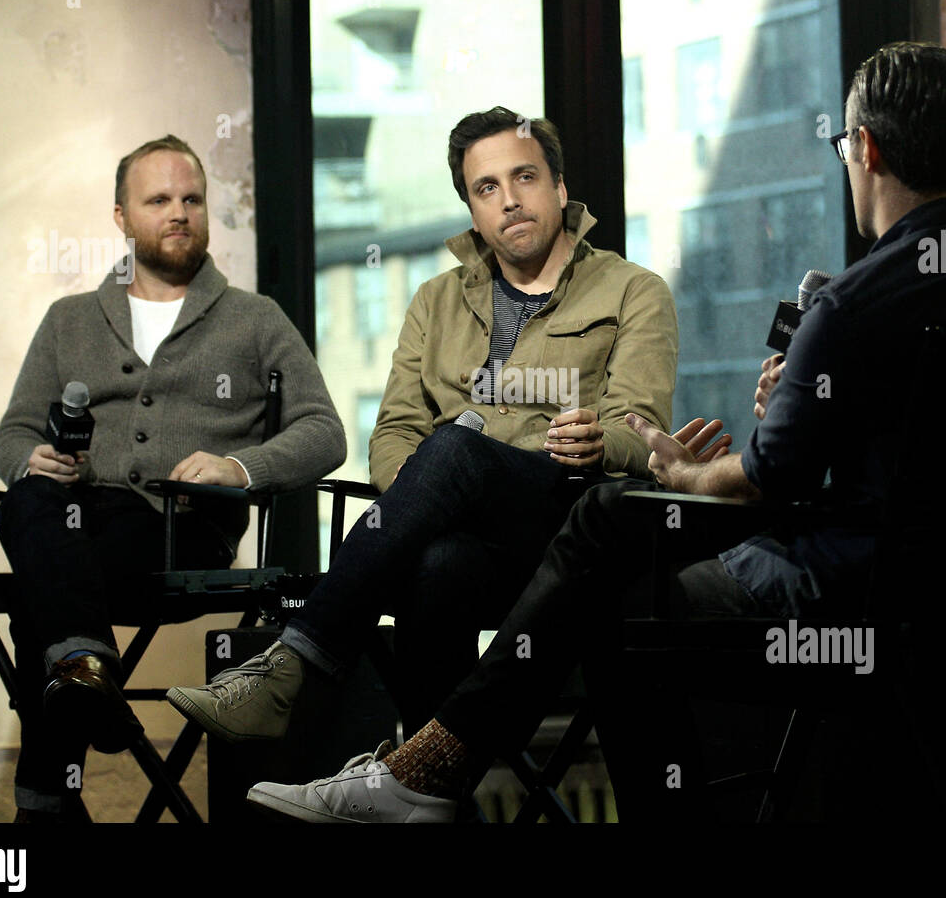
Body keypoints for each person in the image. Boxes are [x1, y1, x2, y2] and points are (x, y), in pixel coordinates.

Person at [242, 42, 946, 823]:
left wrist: (684, 475)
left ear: (865, 149)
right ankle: (430, 770)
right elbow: (940, 463)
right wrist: (809, 409)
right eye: (485, 187)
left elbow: (762, 481)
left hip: (847, 608)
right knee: (559, 561)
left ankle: (436, 767)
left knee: (610, 554)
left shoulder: (853, 304)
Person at [167, 106, 683, 751]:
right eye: (486, 188)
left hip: (568, 523)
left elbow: (644, 432)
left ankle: (296, 661)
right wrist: (433, 496)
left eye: (524, 177)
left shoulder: (634, 290)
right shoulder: (435, 300)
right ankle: (425, 782)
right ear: (471, 208)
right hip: (467, 539)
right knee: (436, 564)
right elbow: (393, 434)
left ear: (558, 186)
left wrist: (603, 441)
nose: (509, 200)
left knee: (455, 449)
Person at [0, 135, 347, 821]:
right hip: (82, 528)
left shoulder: (255, 318)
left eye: (192, 199)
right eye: (158, 200)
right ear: (122, 217)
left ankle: (48, 791)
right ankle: (87, 673)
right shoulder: (68, 319)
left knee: (40, 582)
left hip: (187, 535)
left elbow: (323, 431)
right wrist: (29, 459)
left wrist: (241, 466)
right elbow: (14, 432)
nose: (178, 212)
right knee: (30, 500)